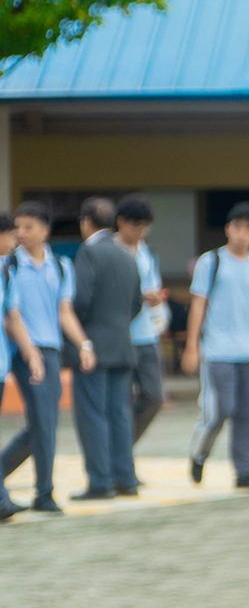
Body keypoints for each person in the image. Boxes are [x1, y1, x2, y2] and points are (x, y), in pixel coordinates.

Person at [184, 201, 249, 491]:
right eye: (237, 227)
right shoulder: (210, 262)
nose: (242, 234)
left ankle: (244, 472)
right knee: (220, 410)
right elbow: (198, 304)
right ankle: (200, 452)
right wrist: (192, 346)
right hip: (218, 351)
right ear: (228, 229)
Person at [0, 202, 89, 516]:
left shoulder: (61, 266)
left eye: (28, 227)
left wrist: (84, 344)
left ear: (44, 230)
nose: (21, 234)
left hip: (51, 351)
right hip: (23, 352)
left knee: (45, 423)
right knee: (43, 420)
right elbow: (12, 316)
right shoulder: (9, 265)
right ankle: (44, 492)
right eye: (17, 228)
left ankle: (28, 486)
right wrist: (29, 351)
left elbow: (65, 313)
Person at [69, 196, 144, 501]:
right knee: (119, 414)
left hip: (93, 347)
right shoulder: (127, 254)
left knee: (93, 415)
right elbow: (137, 302)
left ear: (86, 222)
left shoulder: (88, 253)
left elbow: (80, 300)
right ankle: (125, 477)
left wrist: (82, 335)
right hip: (123, 344)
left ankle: (100, 481)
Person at [114, 198, 170, 444]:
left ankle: (122, 446)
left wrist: (155, 299)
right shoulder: (110, 251)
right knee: (121, 401)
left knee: (154, 396)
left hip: (146, 334)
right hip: (121, 336)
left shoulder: (146, 250)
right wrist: (138, 297)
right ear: (121, 223)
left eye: (145, 227)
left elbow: (153, 285)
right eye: (136, 226)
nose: (140, 232)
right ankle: (121, 458)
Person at [0, 211, 36, 521]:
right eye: (10, 235)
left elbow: (13, 317)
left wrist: (31, 353)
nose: (15, 241)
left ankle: (1, 500)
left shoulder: (5, 272)